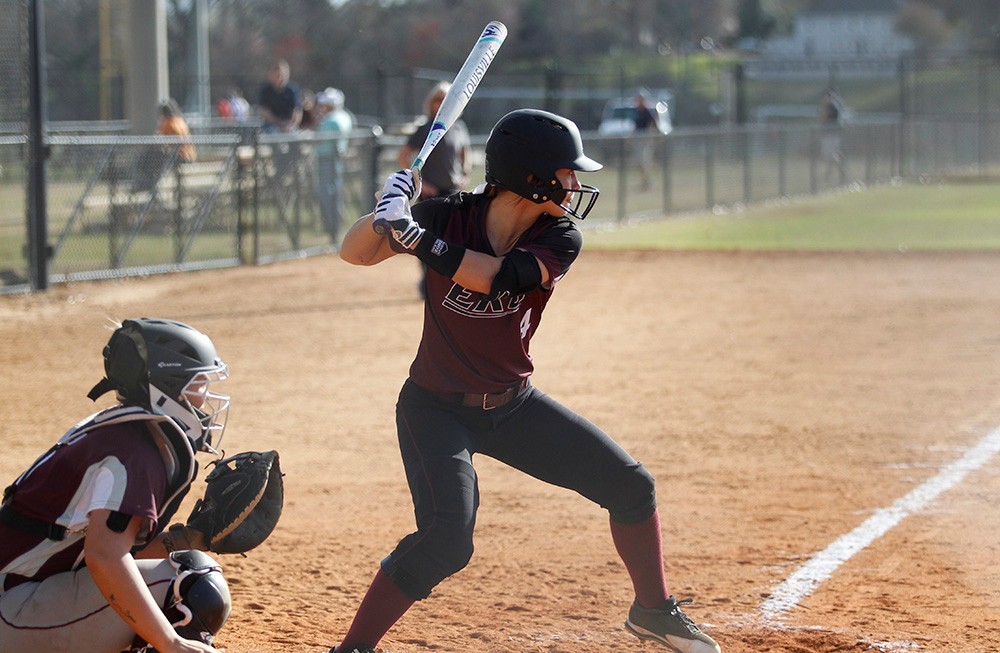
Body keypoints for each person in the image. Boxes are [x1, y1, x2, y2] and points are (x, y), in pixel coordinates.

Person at [333, 109, 722, 653]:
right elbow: (354, 253)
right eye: (566, 173)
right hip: (434, 410)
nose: (575, 184)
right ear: (532, 178)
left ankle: (653, 612)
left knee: (632, 488)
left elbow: (492, 278)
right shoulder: (449, 216)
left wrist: (416, 237)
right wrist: (382, 215)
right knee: (447, 539)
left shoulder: (559, 235)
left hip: (512, 406)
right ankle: (351, 649)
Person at [0, 318, 234, 653]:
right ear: (167, 386)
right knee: (192, 581)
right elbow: (104, 556)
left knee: (187, 564)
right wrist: (169, 642)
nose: (205, 398)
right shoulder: (135, 452)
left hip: (19, 596)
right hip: (12, 607)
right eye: (198, 384)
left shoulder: (121, 432)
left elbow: (108, 550)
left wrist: (190, 538)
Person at [396, 81, 471, 200]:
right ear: (431, 103)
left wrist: (465, 177)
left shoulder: (459, 128)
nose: (442, 104)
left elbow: (465, 154)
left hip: (454, 191)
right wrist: (421, 184)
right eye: (438, 100)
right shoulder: (426, 128)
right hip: (432, 194)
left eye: (446, 100)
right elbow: (403, 156)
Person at [314, 87, 355, 242]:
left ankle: (332, 229)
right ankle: (335, 228)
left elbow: (318, 139)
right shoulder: (345, 116)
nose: (321, 107)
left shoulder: (331, 120)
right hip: (336, 159)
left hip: (327, 159)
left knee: (328, 194)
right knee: (335, 193)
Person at [257, 59, 303, 134]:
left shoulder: (293, 90)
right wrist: (279, 123)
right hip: (271, 125)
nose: (281, 77)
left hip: (289, 124)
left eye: (284, 74)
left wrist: (289, 125)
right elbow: (264, 112)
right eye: (278, 75)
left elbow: (297, 112)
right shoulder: (265, 91)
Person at [633, 93, 658, 190]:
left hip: (645, 137)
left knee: (645, 160)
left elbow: (652, 124)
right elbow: (635, 126)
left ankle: (648, 181)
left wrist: (651, 138)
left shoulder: (647, 111)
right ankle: (644, 180)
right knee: (639, 161)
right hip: (638, 137)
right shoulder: (637, 111)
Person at [818, 88, 844, 182]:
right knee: (832, 154)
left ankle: (834, 172)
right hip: (833, 133)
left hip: (830, 134)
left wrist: (824, 107)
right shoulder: (835, 105)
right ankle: (833, 172)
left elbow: (823, 118)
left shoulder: (831, 107)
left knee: (830, 154)